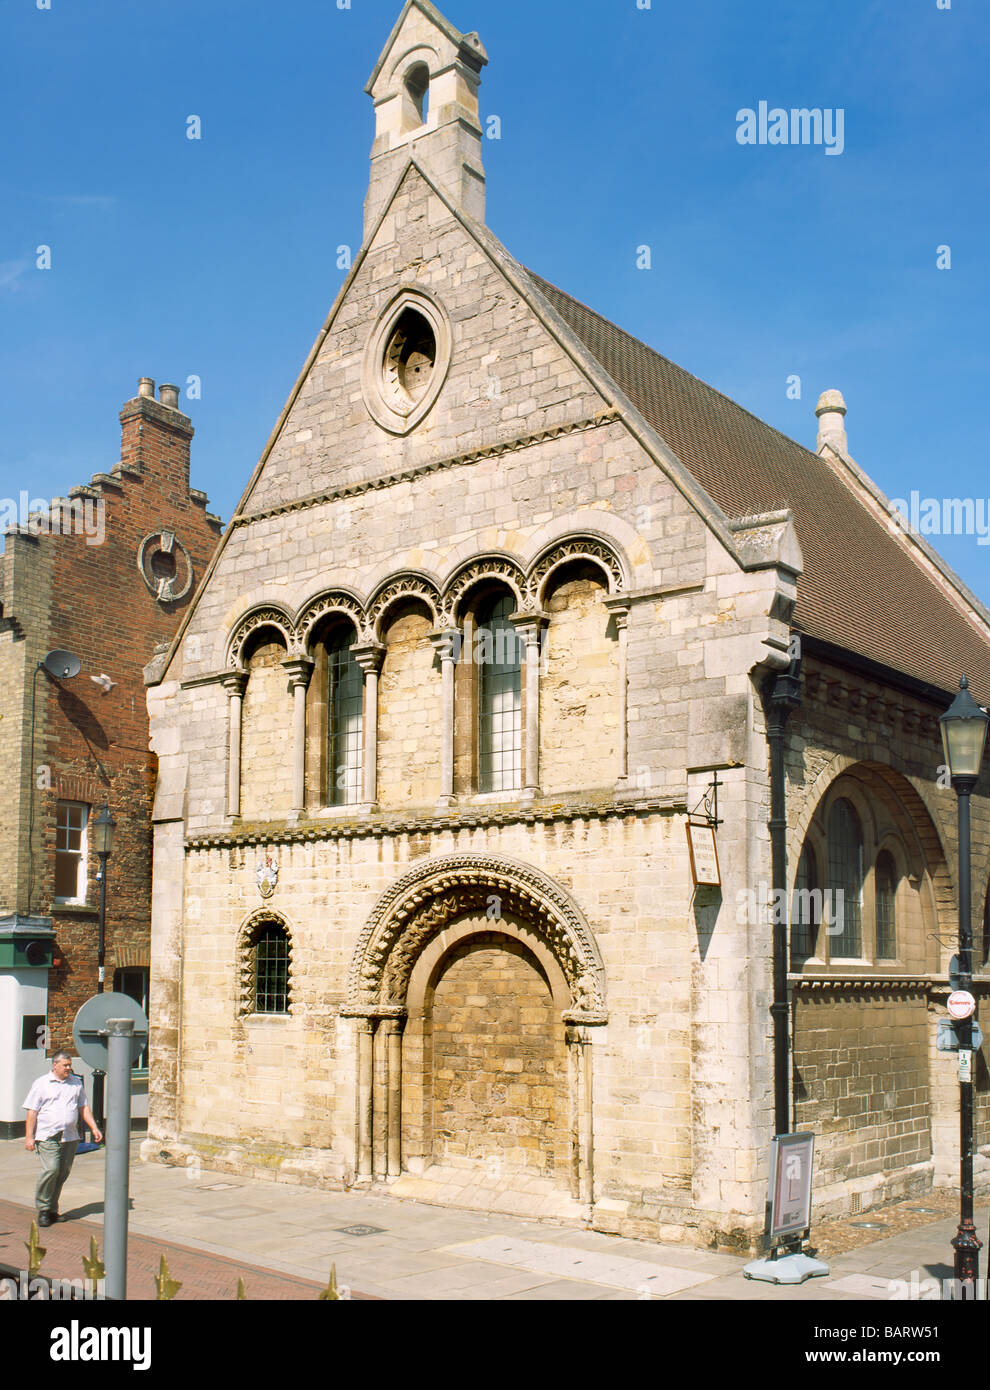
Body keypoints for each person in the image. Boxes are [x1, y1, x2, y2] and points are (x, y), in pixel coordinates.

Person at [23, 1051, 102, 1227]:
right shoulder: (42, 1084)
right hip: (48, 1135)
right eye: (65, 1065)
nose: (69, 1068)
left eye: (69, 1064)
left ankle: (52, 1210)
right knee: (51, 1169)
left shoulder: (75, 1083)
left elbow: (83, 1107)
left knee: (62, 1173)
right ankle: (43, 1209)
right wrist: (29, 1137)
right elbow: (32, 1112)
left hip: (70, 1136)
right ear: (55, 1065)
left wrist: (94, 1127)